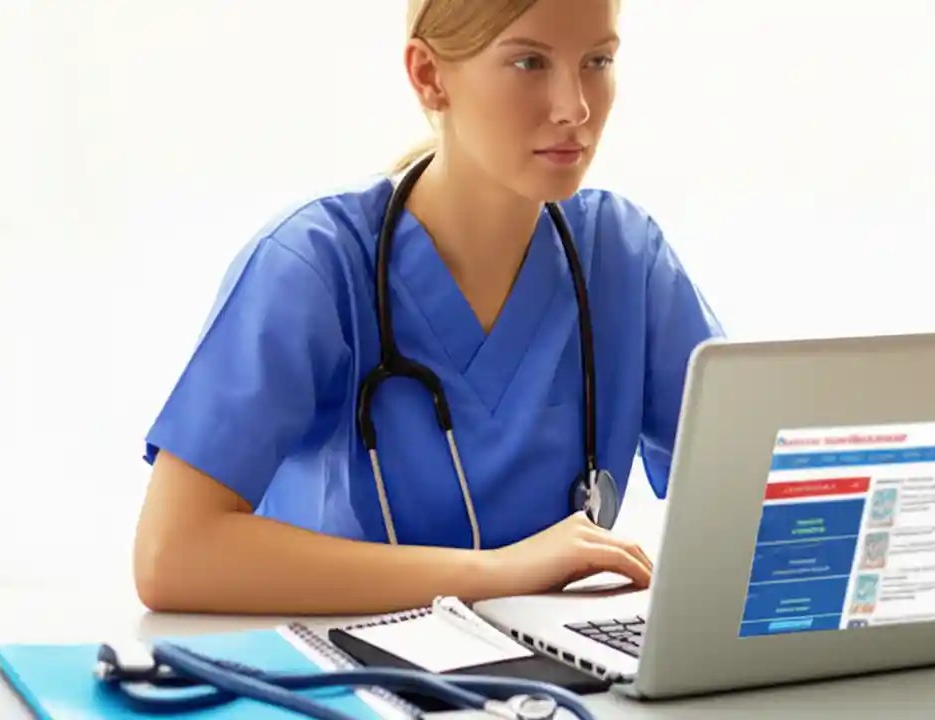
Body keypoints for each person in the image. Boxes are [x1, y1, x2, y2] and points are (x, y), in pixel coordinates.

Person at [132, 0, 723, 616]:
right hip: (352, 685)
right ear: (429, 76)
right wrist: (498, 572)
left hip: (561, 688)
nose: (574, 107)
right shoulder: (315, 264)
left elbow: (753, 487)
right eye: (528, 62)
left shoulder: (622, 256)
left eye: (597, 61)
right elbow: (172, 555)